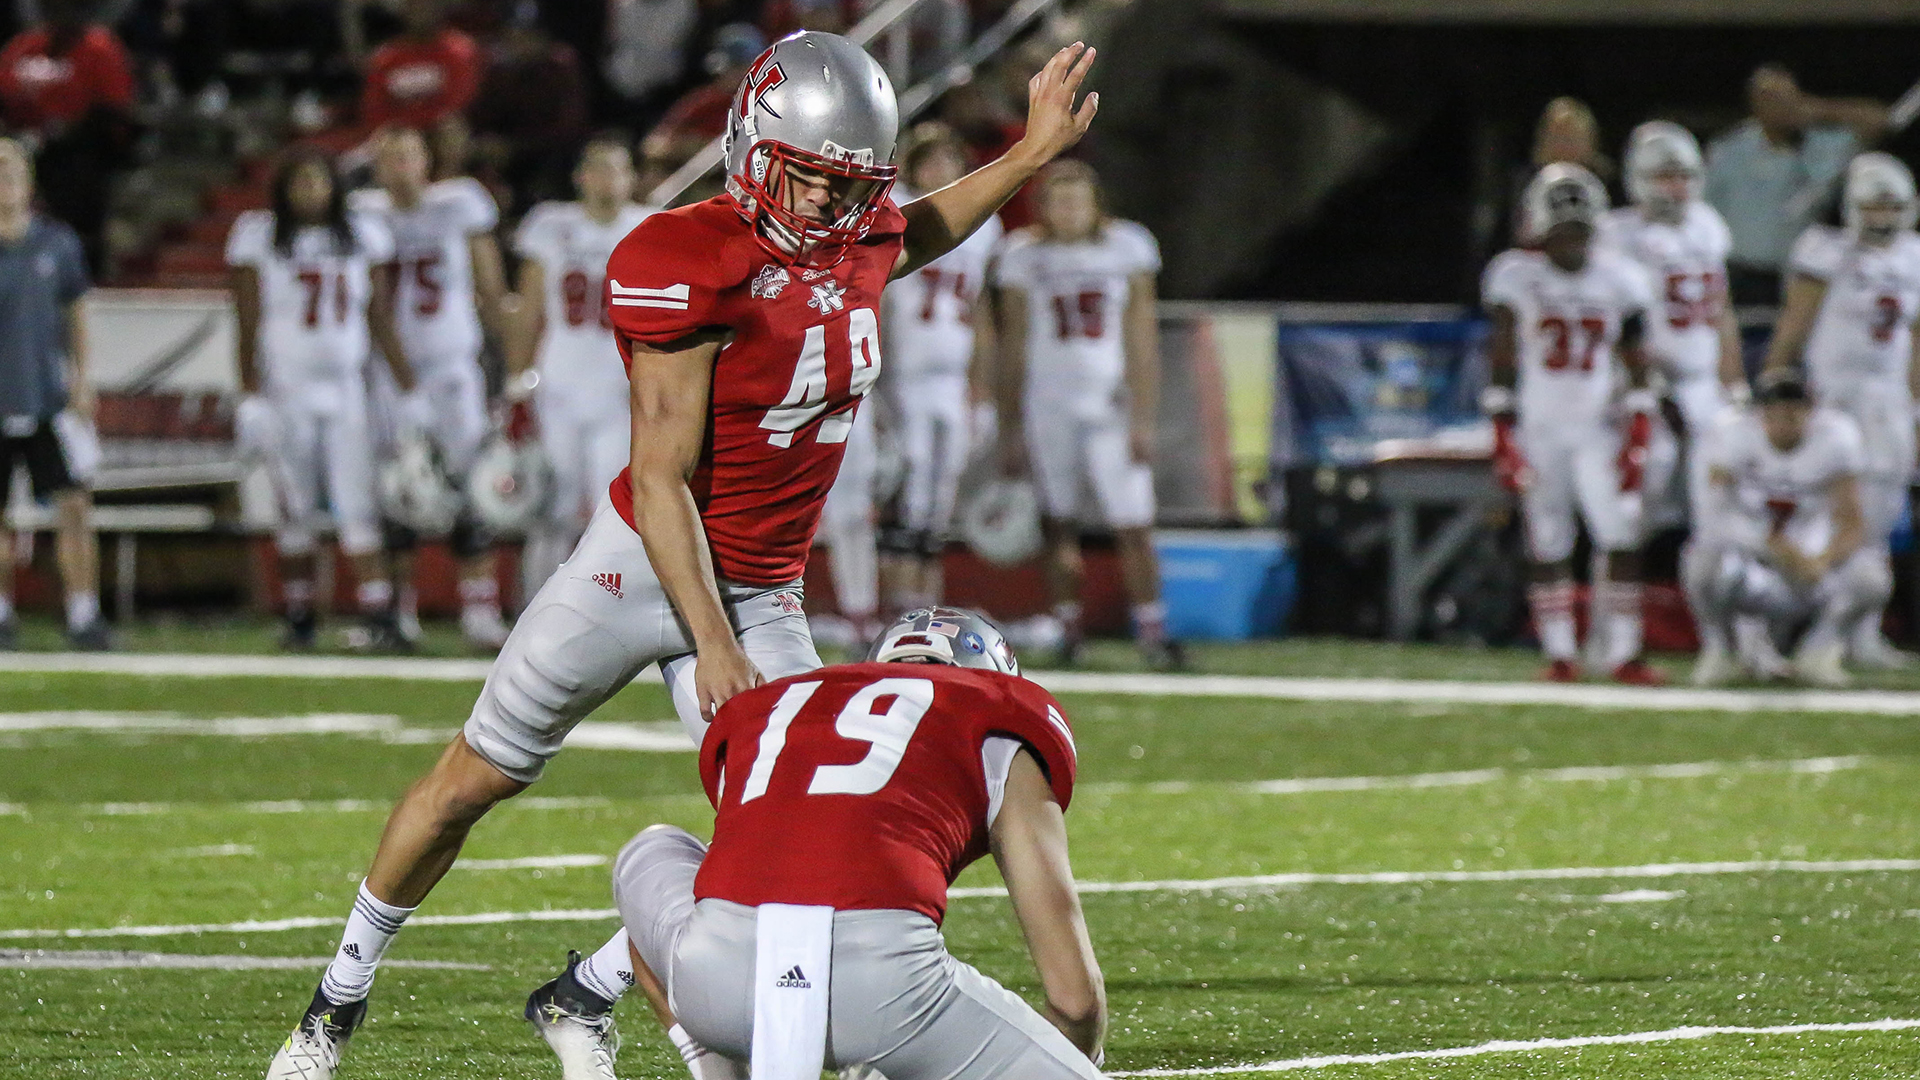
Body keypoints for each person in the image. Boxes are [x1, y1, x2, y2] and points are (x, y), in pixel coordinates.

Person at [262, 33, 1099, 1080]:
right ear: (754, 143)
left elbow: (911, 231)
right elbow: (661, 481)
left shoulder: (851, 237)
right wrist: (711, 640)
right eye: (808, 177)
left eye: (848, 188)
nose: (827, 209)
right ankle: (335, 1001)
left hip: (765, 586)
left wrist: (1025, 156)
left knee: (811, 836)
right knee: (473, 778)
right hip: (642, 566)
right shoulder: (683, 256)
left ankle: (590, 992)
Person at [527, 608, 1104, 1080]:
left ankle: (660, 1038)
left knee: (654, 851)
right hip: (886, 992)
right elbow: (1075, 1002)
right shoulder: (1002, 718)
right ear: (995, 675)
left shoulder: (774, 704)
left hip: (714, 992)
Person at [227, 147, 421, 652]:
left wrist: (406, 389)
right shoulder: (258, 235)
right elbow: (246, 320)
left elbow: (379, 317)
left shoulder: (360, 234)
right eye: (301, 181)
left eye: (318, 181)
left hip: (346, 387)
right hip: (286, 388)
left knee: (358, 503)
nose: (310, 192)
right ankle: (298, 612)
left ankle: (379, 612)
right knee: (294, 506)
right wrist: (248, 393)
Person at [1482, 163, 1664, 685]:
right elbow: (1501, 356)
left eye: (1579, 231)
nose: (1571, 243)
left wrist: (1640, 426)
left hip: (1597, 427)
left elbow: (1636, 358)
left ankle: (1622, 652)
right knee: (1548, 541)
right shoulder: (1516, 275)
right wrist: (1501, 428)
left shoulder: (1620, 277)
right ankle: (1560, 651)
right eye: (1562, 232)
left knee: (1620, 532)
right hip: (1540, 427)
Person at [993, 158, 1179, 669]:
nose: (1070, 211)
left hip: (1109, 404)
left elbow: (1142, 338)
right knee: (1058, 523)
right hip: (1046, 403)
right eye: (1059, 200)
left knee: (1135, 521)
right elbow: (1013, 343)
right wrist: (1008, 424)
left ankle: (1153, 629)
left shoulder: (1126, 247)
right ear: (1043, 208)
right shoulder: (1023, 254)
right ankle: (1068, 625)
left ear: (1097, 205)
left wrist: (1144, 414)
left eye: (1078, 200)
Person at [349, 125, 512, 650]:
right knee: (398, 490)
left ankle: (481, 610)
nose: (399, 166)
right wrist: (401, 379)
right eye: (389, 156)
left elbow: (490, 286)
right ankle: (400, 613)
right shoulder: (361, 212)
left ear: (426, 159)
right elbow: (366, 303)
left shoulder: (460, 202)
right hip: (387, 372)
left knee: (472, 484)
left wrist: (504, 367)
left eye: (408, 153)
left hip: (453, 365)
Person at [1760, 152, 1920, 671]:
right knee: (1822, 515)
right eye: (1872, 204)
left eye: (1891, 205)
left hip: (1889, 400)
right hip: (1833, 395)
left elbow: (1915, 343)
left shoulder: (1915, 254)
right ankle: (1794, 632)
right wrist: (1774, 384)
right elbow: (1794, 326)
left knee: (1880, 516)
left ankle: (1860, 633)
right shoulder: (1825, 250)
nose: (1882, 215)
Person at [507, 133, 657, 599]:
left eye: (617, 169)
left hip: (618, 389)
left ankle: (598, 606)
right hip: (560, 385)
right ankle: (533, 607)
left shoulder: (651, 226)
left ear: (631, 177)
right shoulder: (551, 225)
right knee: (550, 507)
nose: (607, 180)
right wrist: (516, 384)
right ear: (581, 177)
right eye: (598, 168)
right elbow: (529, 308)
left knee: (610, 510)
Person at [1685, 371, 1879, 687]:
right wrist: (1769, 545)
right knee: (1702, 560)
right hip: (1752, 567)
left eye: (1793, 411)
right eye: (1774, 411)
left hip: (1808, 567)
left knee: (1871, 576)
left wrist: (1822, 560)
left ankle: (1817, 654)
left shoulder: (1837, 437)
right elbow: (1713, 517)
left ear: (1811, 412)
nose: (1784, 420)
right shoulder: (1731, 433)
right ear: (1759, 413)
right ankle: (1720, 652)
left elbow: (1852, 521)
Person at [878, 122, 1002, 612]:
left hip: (951, 375)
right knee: (905, 489)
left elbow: (982, 311)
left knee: (938, 497)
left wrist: (982, 386)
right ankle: (895, 607)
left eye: (948, 161)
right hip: (902, 374)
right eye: (930, 162)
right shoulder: (895, 213)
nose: (939, 171)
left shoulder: (984, 225)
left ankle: (924, 607)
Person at [1599, 121, 1745, 523]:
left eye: (1684, 176)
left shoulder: (1708, 226)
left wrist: (1733, 381)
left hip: (1701, 382)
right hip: (1640, 384)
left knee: (1716, 494)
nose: (1676, 187)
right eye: (1664, 176)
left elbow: (1722, 310)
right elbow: (1616, 323)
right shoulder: (1617, 234)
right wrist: (1644, 382)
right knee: (1643, 492)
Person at [0, 137, 105, 650]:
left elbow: (77, 315)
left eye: (10, 170)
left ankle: (84, 613)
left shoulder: (56, 243)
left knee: (74, 505)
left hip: (46, 396)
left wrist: (81, 381)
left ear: (29, 180)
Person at [1705, 65, 1890, 306]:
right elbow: (1703, 208)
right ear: (1755, 104)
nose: (1781, 105)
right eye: (1771, 98)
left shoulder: (1823, 147)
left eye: (1787, 97)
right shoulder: (1730, 151)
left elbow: (1879, 120)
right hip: (1740, 273)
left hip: (1801, 276)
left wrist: (1818, 109)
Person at [0, 0, 136, 272]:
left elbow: (116, 111)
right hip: (23, 145)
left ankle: (83, 263)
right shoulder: (25, 47)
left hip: (80, 154)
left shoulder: (98, 48)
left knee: (76, 175)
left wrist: (66, 130)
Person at [357, 0, 482, 134]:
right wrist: (404, 129)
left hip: (444, 130)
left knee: (452, 128)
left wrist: (426, 124)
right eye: (414, 6)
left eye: (427, 6)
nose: (421, 12)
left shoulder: (460, 50)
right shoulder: (386, 59)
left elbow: (461, 100)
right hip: (401, 134)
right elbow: (375, 107)